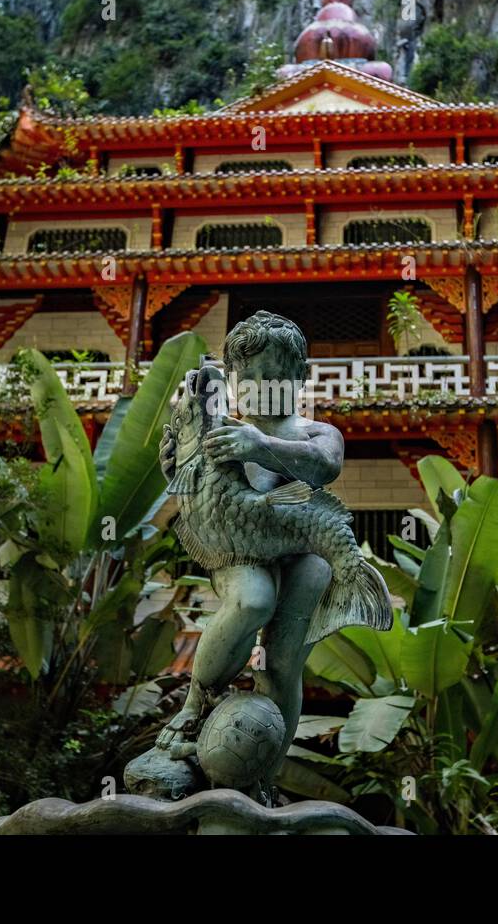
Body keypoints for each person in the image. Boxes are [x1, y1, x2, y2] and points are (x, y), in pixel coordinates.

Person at [154, 311, 344, 783]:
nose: (263, 386)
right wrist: (176, 459)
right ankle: (198, 700)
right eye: (251, 378)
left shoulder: (315, 432)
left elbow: (323, 467)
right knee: (252, 600)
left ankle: (265, 772)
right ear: (234, 380)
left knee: (282, 663)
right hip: (239, 549)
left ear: (299, 376)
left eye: (275, 376)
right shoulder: (222, 428)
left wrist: (257, 444)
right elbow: (195, 489)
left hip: (303, 552)